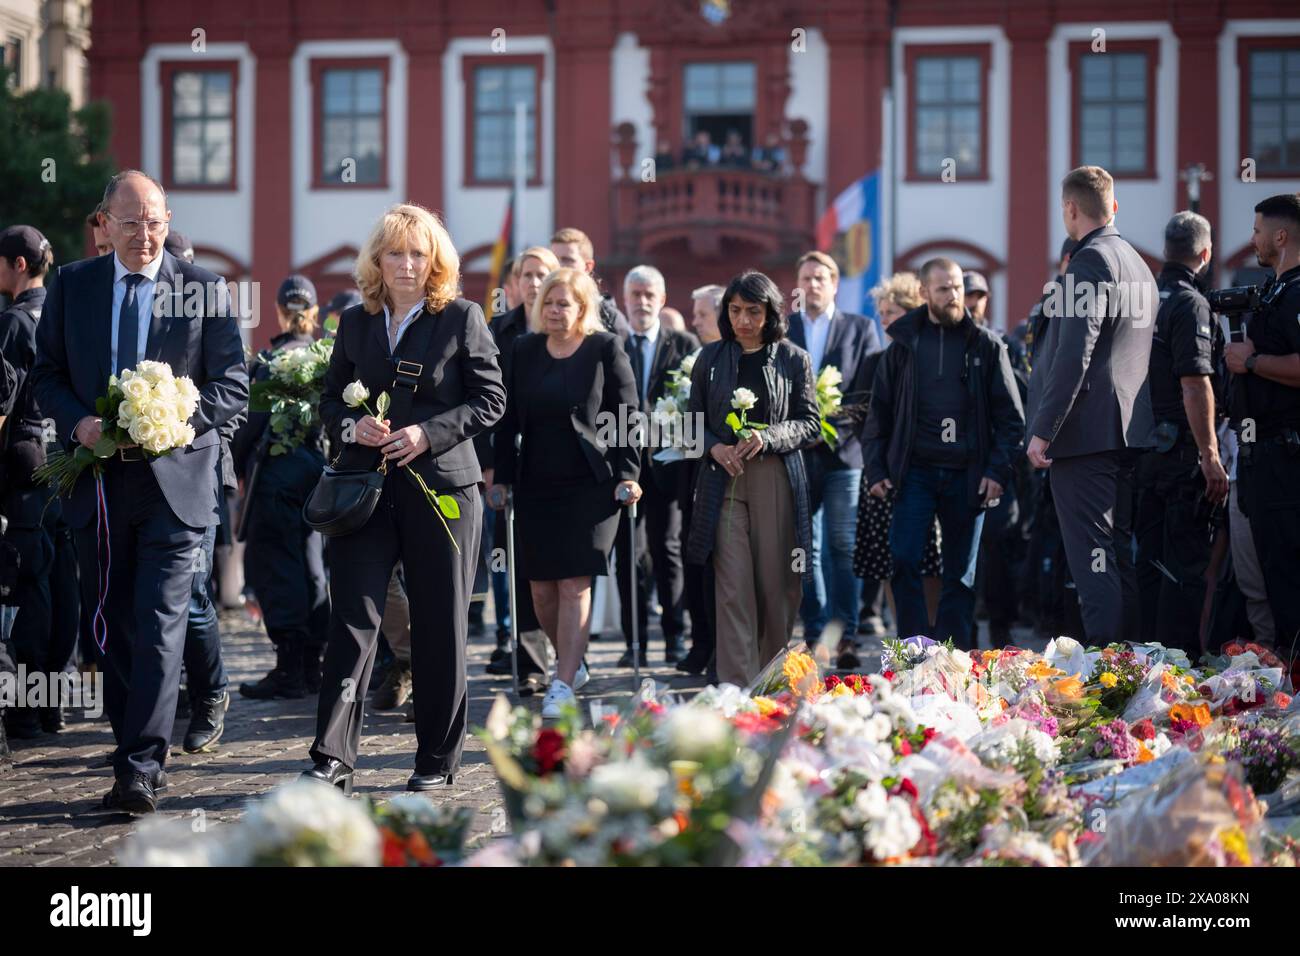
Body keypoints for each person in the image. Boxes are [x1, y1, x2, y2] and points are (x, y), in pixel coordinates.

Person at [32, 170, 248, 813]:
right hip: (98, 483)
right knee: (112, 626)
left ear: (167, 220)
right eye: (130, 223)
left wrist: (179, 420)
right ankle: (131, 745)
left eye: (154, 222)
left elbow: (233, 385)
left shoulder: (205, 289)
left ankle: (141, 767)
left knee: (160, 620)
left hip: (176, 483)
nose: (144, 235)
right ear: (105, 224)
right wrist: (79, 421)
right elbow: (46, 375)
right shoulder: (73, 285)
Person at [302, 203, 503, 794]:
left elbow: (491, 400)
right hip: (364, 491)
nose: (407, 264)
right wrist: (352, 426)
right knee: (352, 619)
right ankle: (332, 756)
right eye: (396, 253)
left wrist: (427, 434)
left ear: (436, 262)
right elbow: (331, 401)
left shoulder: (462, 317)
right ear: (378, 260)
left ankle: (436, 758)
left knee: (440, 622)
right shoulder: (356, 322)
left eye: (419, 253)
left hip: (442, 490)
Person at [494, 268, 641, 716]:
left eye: (565, 304)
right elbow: (507, 418)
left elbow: (628, 413)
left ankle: (561, 683)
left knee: (574, 583)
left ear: (582, 308)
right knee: (541, 589)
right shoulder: (524, 349)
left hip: (592, 485)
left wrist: (628, 473)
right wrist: (500, 477)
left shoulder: (604, 347)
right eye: (549, 303)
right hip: (536, 482)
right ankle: (570, 662)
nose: (555, 311)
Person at [864, 258, 1025, 649]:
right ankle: (915, 652)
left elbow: (1011, 419)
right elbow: (878, 415)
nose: (954, 296)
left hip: (968, 476)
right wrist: (877, 469)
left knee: (960, 576)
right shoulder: (902, 346)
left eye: (957, 287)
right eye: (944, 289)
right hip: (914, 474)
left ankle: (952, 660)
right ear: (924, 293)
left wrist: (997, 471)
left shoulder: (986, 345)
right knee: (904, 560)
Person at [1026, 166, 1157, 645]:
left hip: (1086, 435)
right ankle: (1131, 665)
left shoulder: (1088, 261)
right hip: (1127, 431)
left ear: (1070, 209)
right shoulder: (1138, 263)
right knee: (1116, 555)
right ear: (1114, 207)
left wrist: (1044, 428)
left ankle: (1108, 668)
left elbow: (1074, 354)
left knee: (1092, 561)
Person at [685, 271, 819, 686]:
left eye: (753, 312)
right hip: (722, 480)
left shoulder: (793, 358)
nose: (743, 320)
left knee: (776, 587)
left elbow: (810, 423)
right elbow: (690, 423)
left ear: (770, 313)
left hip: (775, 477)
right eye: (735, 310)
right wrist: (713, 447)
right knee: (732, 586)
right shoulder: (710, 358)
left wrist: (769, 436)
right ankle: (737, 687)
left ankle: (771, 679)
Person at [1134, 212, 1228, 657]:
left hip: (1143, 451)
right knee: (1186, 563)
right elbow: (1194, 383)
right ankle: (1179, 665)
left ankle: (1142, 658)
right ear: (1205, 254)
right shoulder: (1190, 304)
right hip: (1181, 455)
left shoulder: (1145, 299)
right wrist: (1210, 455)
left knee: (1149, 561)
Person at [233, 275, 331, 700]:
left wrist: (236, 468)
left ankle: (290, 669)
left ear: (278, 310)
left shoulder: (270, 361)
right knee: (312, 564)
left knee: (277, 567)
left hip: (275, 476)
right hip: (318, 472)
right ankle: (312, 666)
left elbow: (249, 423)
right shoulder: (326, 359)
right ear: (314, 311)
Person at [786, 250, 882, 666]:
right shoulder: (785, 329)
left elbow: (866, 394)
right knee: (805, 547)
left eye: (820, 278)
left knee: (842, 545)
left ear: (834, 284)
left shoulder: (859, 328)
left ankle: (845, 636)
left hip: (843, 455)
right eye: (805, 278)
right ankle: (815, 634)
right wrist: (799, 432)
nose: (812, 285)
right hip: (796, 455)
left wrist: (825, 428)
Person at [482, 246, 561, 691]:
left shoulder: (575, 329)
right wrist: (489, 465)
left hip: (566, 467)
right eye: (526, 275)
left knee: (565, 568)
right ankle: (531, 663)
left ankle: (569, 658)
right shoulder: (498, 330)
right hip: (512, 464)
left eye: (542, 274)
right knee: (518, 562)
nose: (534, 283)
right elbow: (479, 399)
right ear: (514, 283)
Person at [1225, 193, 1300, 652]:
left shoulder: (1296, 292)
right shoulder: (1275, 289)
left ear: (1281, 235)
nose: (1252, 239)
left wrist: (1252, 363)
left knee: (1289, 580)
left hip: (1286, 458)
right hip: (1262, 458)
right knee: (1270, 581)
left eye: (1257, 230)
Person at [616, 265, 699, 666]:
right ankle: (634, 645)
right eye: (636, 294)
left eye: (650, 295)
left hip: (668, 465)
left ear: (662, 299)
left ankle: (674, 637)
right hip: (622, 465)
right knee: (629, 556)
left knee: (668, 551)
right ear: (625, 299)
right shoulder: (611, 344)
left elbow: (694, 405)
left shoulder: (684, 344)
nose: (642, 302)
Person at [0, 226, 64, 738]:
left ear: (18, 264)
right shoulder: (59, 312)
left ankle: (22, 708)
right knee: (54, 582)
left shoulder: (14, 322)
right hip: (59, 460)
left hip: (21, 464)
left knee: (18, 585)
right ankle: (49, 703)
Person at [853, 272, 942, 636]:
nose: (884, 319)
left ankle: (934, 635)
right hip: (884, 475)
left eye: (891, 312)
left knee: (931, 559)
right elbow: (861, 419)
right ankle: (905, 638)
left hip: (926, 470)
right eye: (881, 313)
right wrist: (880, 463)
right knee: (890, 560)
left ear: (912, 310)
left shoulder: (931, 356)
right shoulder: (874, 361)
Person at [677, 284, 725, 677]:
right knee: (696, 560)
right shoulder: (696, 359)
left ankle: (724, 648)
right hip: (692, 477)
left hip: (728, 474)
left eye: (702, 315)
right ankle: (703, 642)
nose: (694, 322)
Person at [550, 227, 630, 335]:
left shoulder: (610, 320)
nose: (558, 267)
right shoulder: (539, 311)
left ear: (588, 267)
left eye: (567, 260)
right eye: (554, 260)